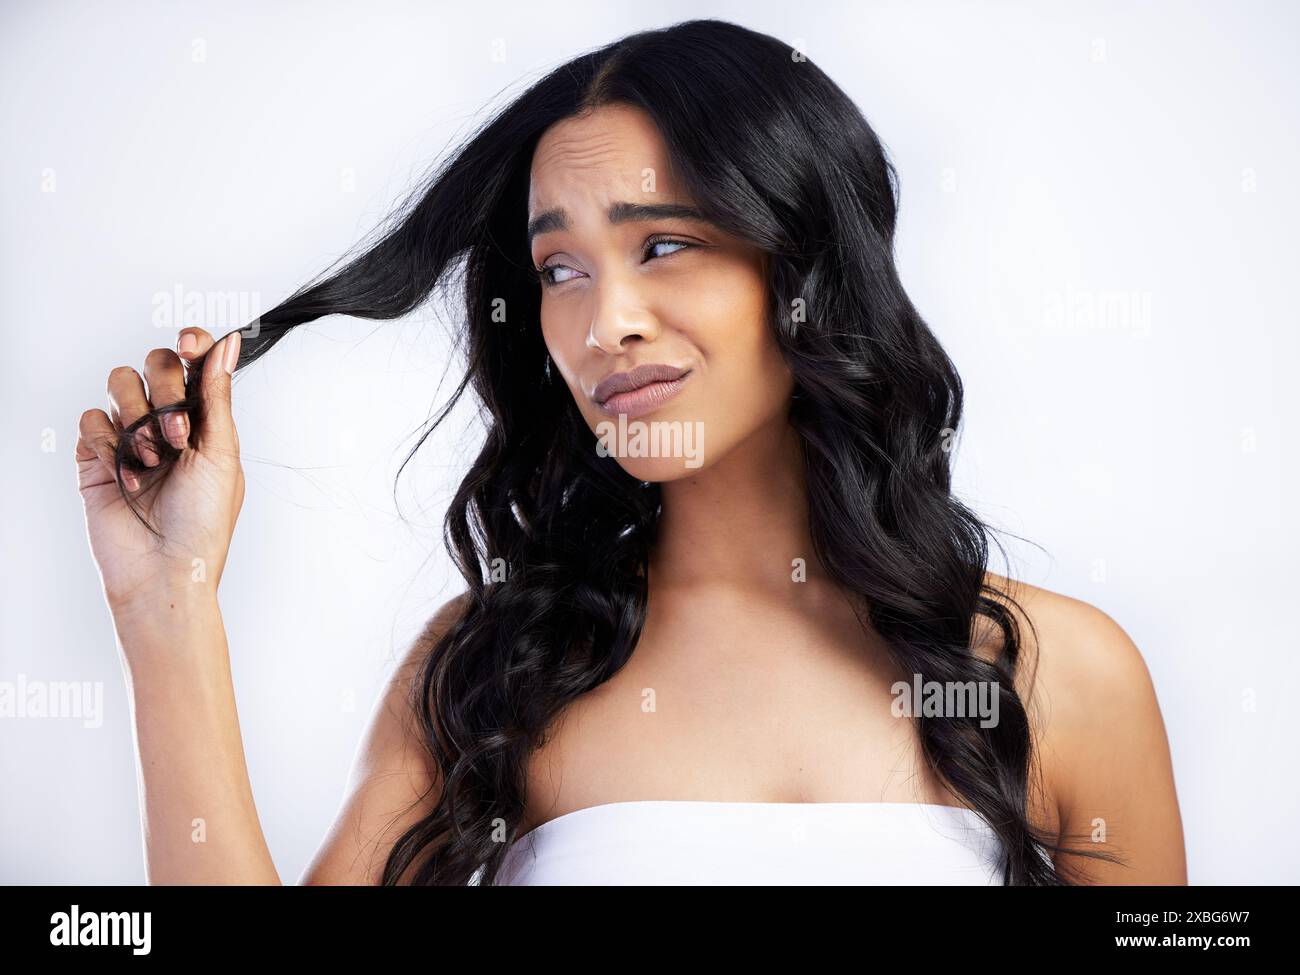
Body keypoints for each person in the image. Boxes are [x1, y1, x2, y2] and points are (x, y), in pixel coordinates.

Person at [75, 19, 1185, 885]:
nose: (605, 324)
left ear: (803, 269)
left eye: (663, 244)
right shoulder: (492, 672)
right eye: (560, 270)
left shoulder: (1058, 675)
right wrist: (167, 606)